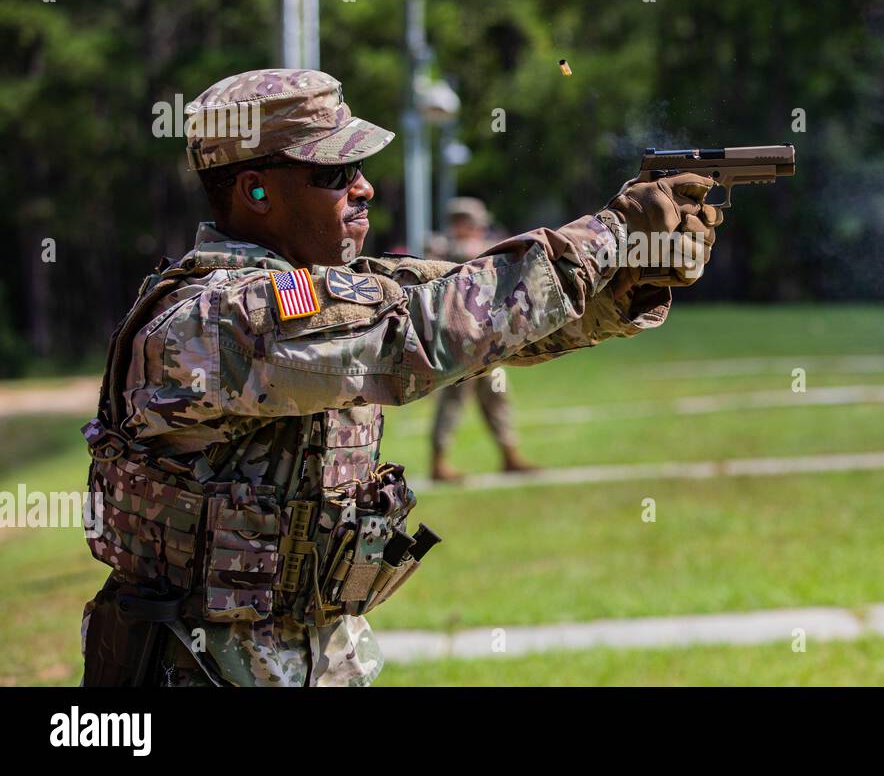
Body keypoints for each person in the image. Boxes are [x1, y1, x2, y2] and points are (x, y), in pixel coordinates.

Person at [79, 68, 722, 686]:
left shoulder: (338, 292)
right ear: (255, 190)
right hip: (200, 671)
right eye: (335, 172)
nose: (365, 188)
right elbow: (421, 334)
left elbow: (491, 326)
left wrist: (632, 277)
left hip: (310, 661)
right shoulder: (221, 321)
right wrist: (612, 232)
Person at [426, 198, 534, 480]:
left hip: (487, 340)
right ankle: (438, 462)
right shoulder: (442, 248)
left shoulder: (466, 246)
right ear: (461, 224)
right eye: (473, 224)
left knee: (497, 396)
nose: (478, 229)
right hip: (456, 343)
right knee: (453, 401)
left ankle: (510, 454)